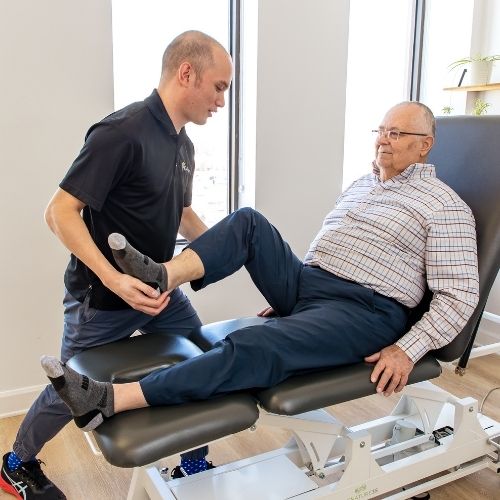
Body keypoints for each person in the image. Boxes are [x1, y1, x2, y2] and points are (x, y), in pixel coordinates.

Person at [41, 101, 479, 438]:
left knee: (254, 342)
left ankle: (111, 400)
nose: (383, 139)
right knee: (248, 221)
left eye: (397, 133)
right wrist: (297, 305)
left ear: (425, 145)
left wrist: (407, 348)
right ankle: (163, 276)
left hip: (364, 312)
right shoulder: (363, 185)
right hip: (311, 287)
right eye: (380, 130)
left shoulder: (443, 206)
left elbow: (459, 295)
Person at [0, 31, 233, 499]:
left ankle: (193, 461)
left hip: (158, 292)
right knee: (74, 387)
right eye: (219, 86)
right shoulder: (121, 132)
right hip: (102, 298)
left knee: (203, 356)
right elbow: (59, 212)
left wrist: (226, 249)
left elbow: (182, 213)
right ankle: (14, 463)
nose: (222, 101)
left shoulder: (182, 145)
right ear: (186, 73)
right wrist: (114, 278)